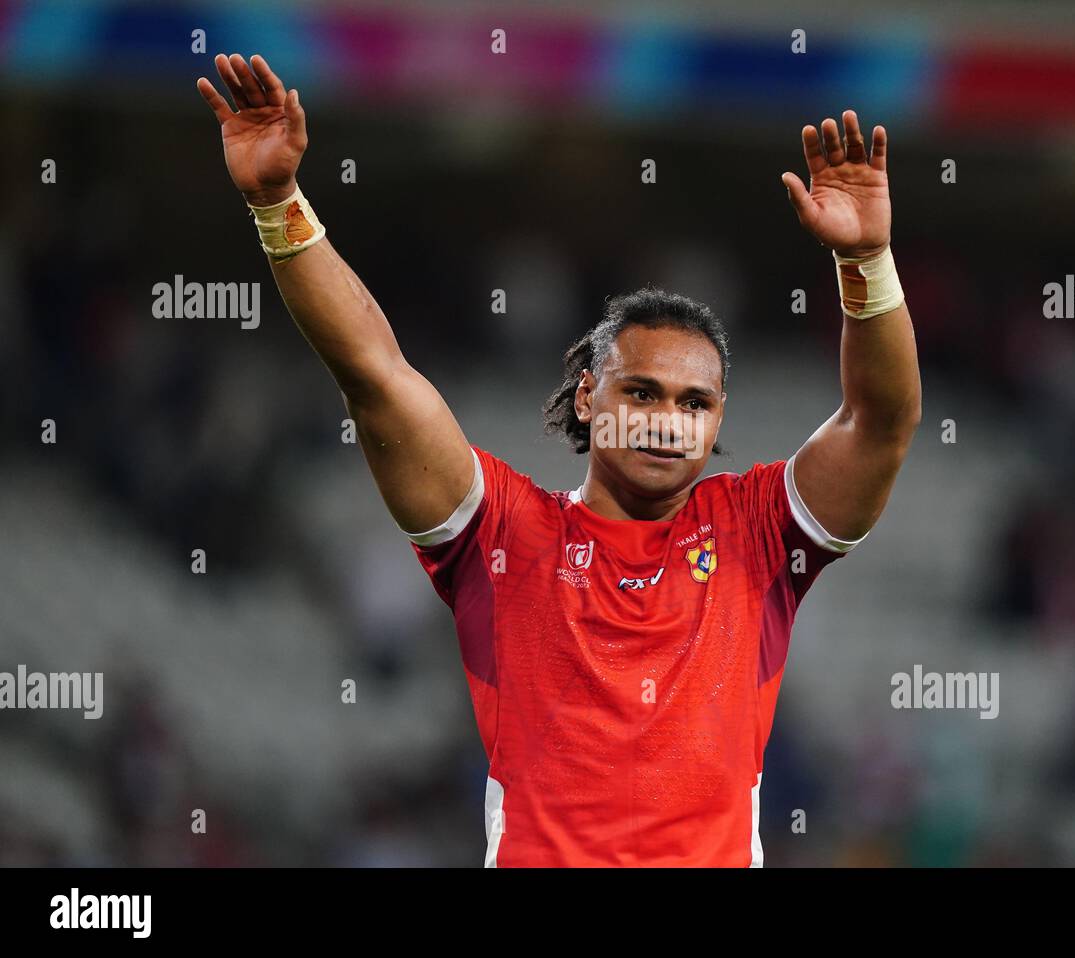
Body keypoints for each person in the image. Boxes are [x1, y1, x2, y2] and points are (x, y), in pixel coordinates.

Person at [197, 53, 921, 866]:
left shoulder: (757, 533)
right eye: (641, 392)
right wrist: (276, 204)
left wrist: (865, 263)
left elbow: (882, 421)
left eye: (694, 404)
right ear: (587, 399)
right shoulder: (502, 534)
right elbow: (376, 377)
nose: (667, 422)